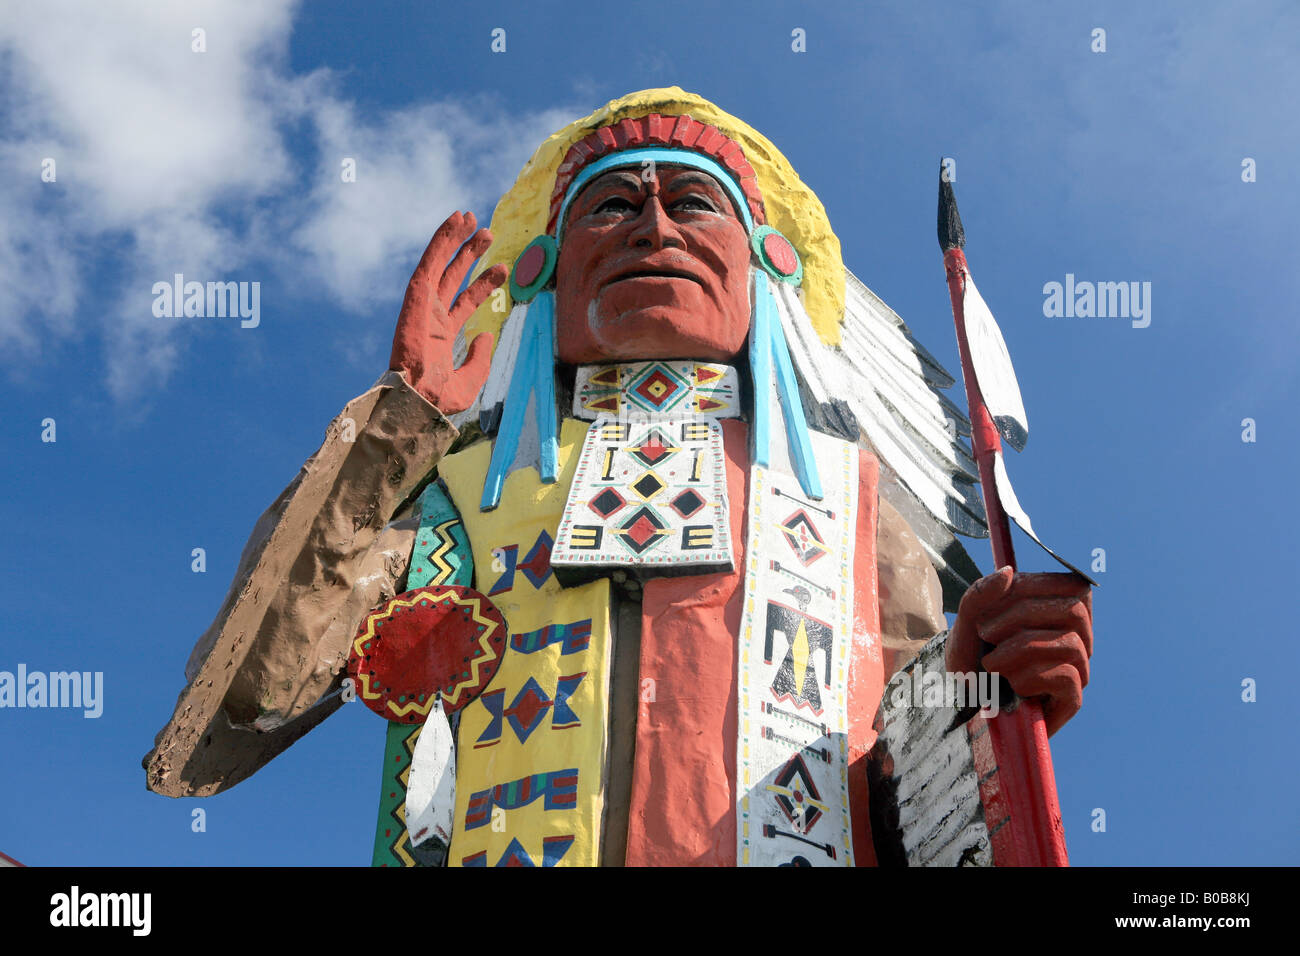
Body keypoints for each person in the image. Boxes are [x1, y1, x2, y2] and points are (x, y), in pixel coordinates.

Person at [145, 88, 1091, 867]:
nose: (651, 226)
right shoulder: (469, 495)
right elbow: (241, 705)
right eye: (611, 205)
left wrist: (980, 686)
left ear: (765, 267)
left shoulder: (855, 504)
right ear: (547, 276)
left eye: (692, 201)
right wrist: (399, 429)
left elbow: (913, 781)